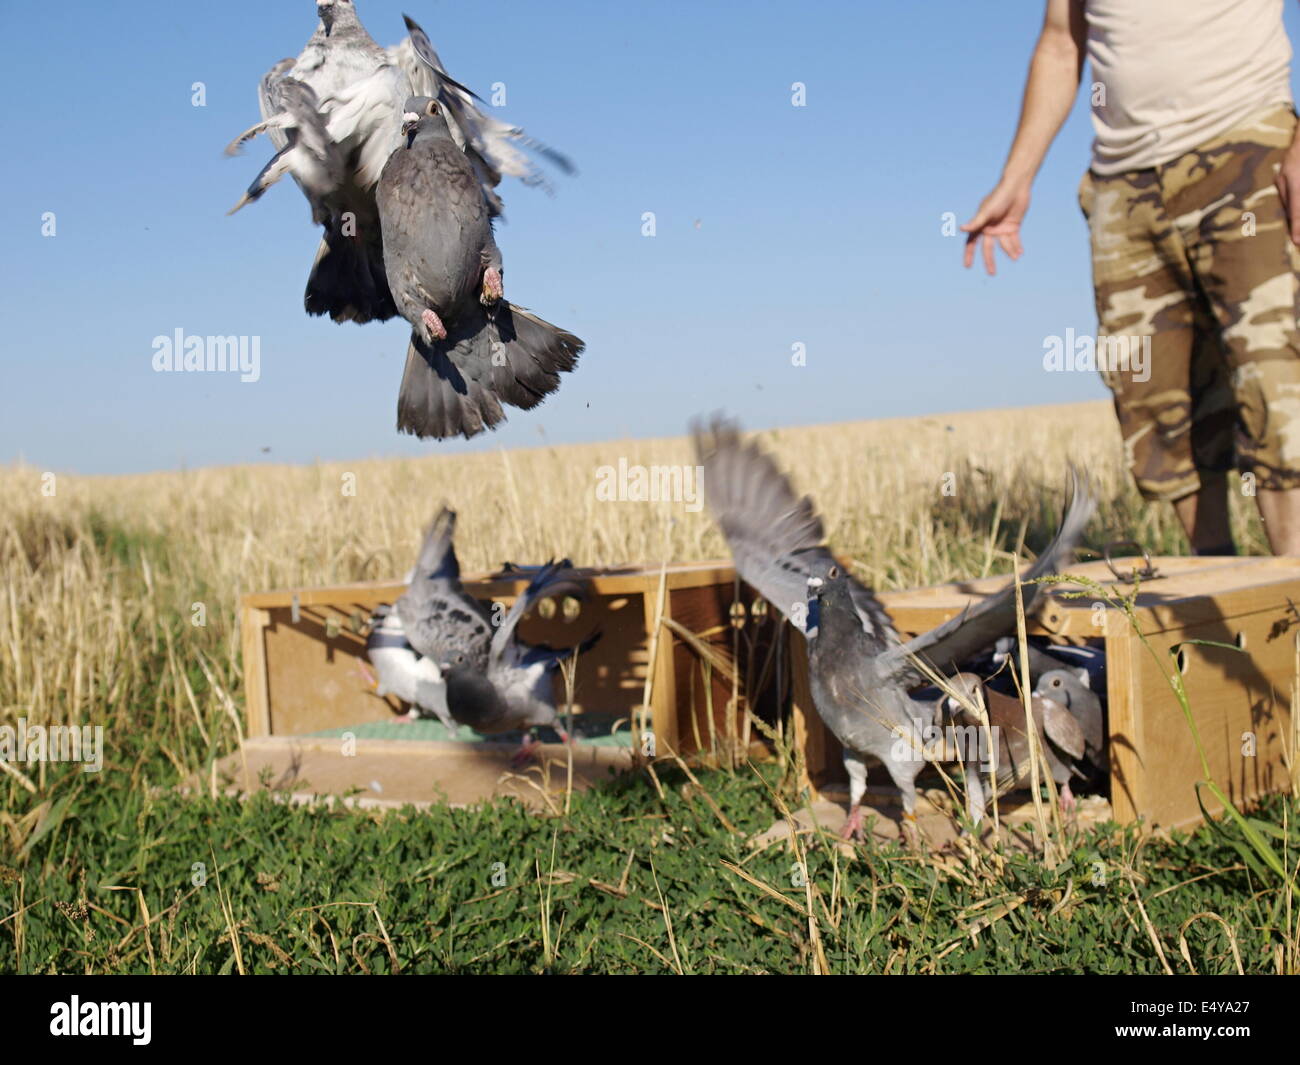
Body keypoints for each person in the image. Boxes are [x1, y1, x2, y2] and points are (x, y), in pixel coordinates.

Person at [963, 0, 1300, 555]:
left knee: (1276, 384)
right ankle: (1215, 593)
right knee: (1156, 402)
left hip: (1248, 145)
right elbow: (1061, 41)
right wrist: (1017, 177)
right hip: (1123, 183)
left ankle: (1287, 615)